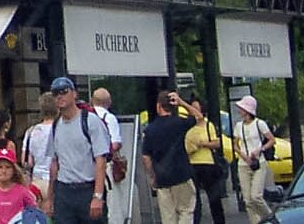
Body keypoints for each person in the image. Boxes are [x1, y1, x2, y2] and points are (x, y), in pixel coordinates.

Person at [44, 76, 110, 224]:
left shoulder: (90, 121)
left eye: (64, 91)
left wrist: (97, 196)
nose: (60, 96)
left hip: (88, 188)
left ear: (74, 94)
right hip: (64, 191)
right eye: (55, 93)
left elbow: (101, 161)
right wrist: (49, 198)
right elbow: (54, 164)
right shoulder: (56, 126)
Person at [138, 89, 197, 224]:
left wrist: (152, 176)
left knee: (168, 216)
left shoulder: (150, 130)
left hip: (162, 178)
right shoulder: (179, 123)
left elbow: (146, 157)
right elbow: (198, 117)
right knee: (186, 210)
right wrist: (182, 103)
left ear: (158, 106)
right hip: (181, 174)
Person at [232, 96, 275, 224]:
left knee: (256, 196)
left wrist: (260, 150)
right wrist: (242, 154)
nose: (239, 110)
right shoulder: (239, 126)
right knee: (248, 200)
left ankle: (270, 218)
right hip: (243, 164)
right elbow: (235, 144)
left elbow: (272, 140)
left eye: (242, 108)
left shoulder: (259, 124)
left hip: (258, 163)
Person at [182, 98, 226, 224]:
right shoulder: (187, 126)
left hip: (208, 164)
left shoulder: (208, 125)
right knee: (194, 200)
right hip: (192, 164)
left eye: (196, 107)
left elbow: (217, 143)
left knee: (214, 198)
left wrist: (203, 144)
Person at [90, 89, 127, 224]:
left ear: (92, 100)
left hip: (88, 168)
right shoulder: (109, 117)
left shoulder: (86, 116)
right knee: (112, 202)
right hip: (106, 167)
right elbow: (115, 144)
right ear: (109, 102)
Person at [0, 148, 39, 224]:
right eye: (0, 167)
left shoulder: (22, 191)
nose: (4, 171)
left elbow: (34, 213)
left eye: (8, 167)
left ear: (14, 170)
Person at [21, 105, 55, 198]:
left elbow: (27, 162)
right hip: (56, 181)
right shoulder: (60, 129)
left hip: (37, 181)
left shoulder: (31, 131)